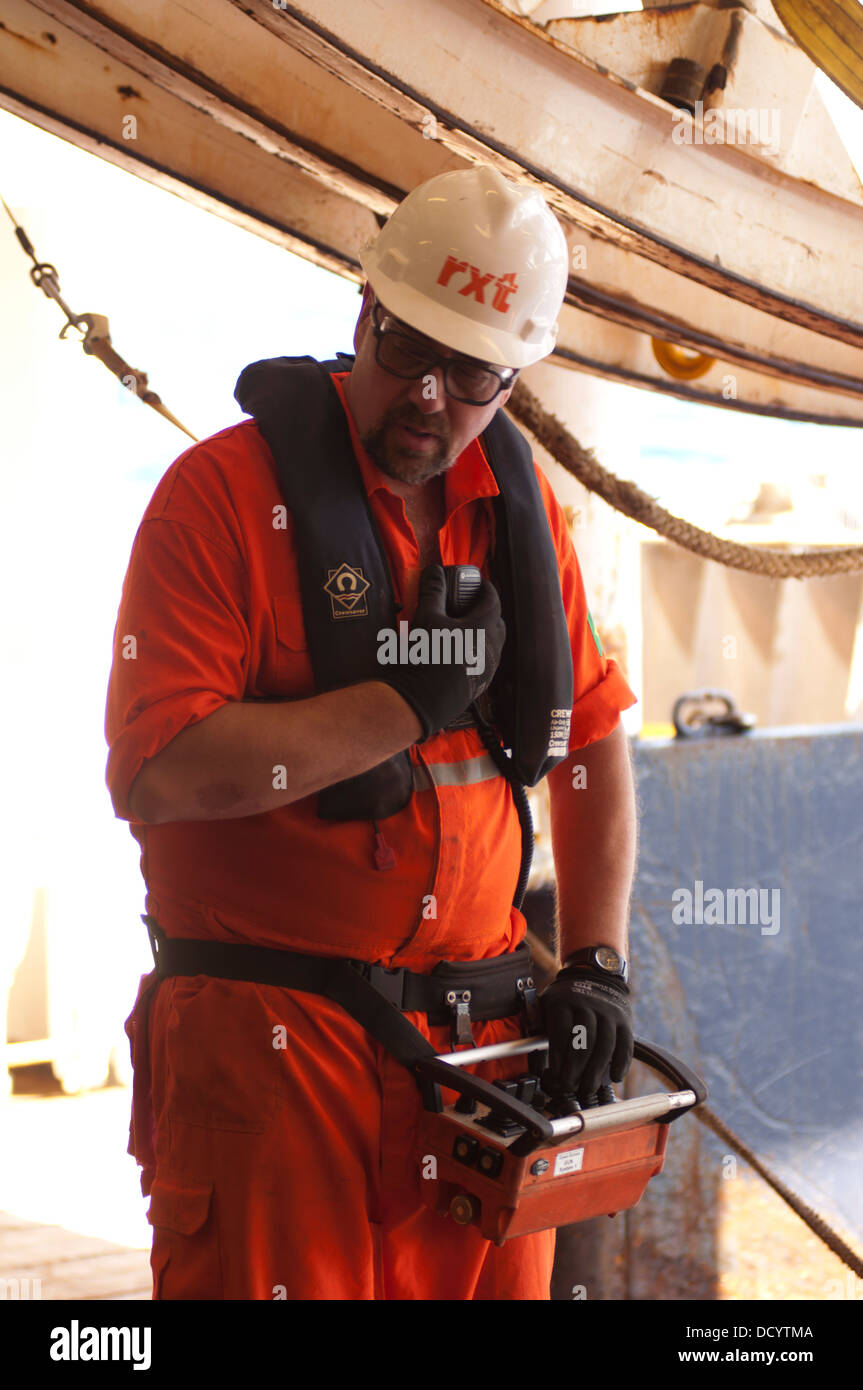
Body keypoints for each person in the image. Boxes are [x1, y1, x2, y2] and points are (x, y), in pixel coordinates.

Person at [105, 165, 638, 1301]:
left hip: (480, 1064)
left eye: (472, 371)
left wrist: (593, 958)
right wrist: (397, 706)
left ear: (513, 376)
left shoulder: (522, 512)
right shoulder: (216, 500)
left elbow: (587, 739)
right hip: (273, 1057)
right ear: (363, 312)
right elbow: (159, 772)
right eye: (407, 350)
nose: (430, 397)